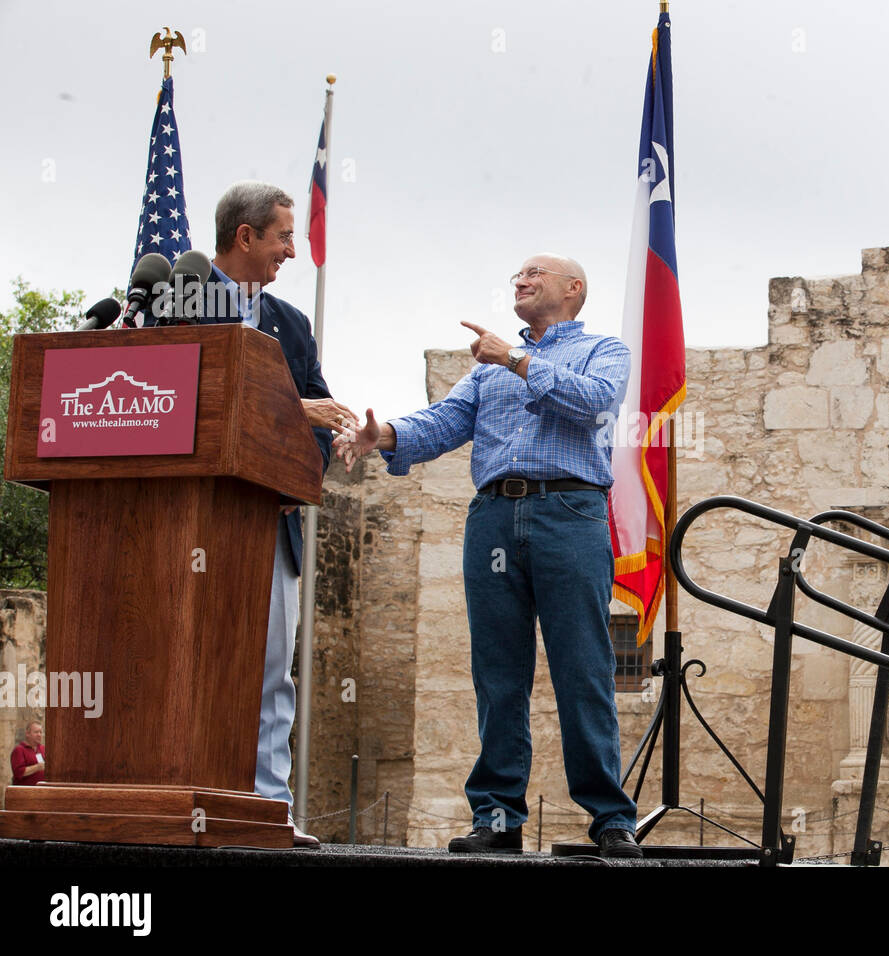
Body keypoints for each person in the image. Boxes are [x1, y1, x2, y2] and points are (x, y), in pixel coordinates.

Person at [334, 253, 643, 859]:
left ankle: (609, 817)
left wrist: (518, 361)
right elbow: (445, 422)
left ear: (572, 289)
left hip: (570, 514)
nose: (520, 281)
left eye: (535, 274)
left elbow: (597, 401)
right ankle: (497, 816)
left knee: (583, 667)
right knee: (497, 671)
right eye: (516, 276)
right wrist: (386, 436)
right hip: (495, 517)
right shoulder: (484, 370)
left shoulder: (603, 350)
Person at [150, 181, 358, 846]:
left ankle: (268, 808)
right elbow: (169, 389)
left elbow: (322, 423)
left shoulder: (292, 325)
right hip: (173, 517)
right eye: (282, 238)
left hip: (267, 522)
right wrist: (292, 410)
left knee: (271, 670)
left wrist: (304, 462)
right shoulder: (174, 298)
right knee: (169, 657)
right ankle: (163, 796)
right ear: (245, 237)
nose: (291, 252)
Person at [9, 721, 45, 786]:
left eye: (41, 732)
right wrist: (37, 767)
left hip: (42, 791)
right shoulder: (19, 750)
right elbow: (18, 772)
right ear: (27, 734)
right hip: (25, 792)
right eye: (36, 732)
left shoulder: (43, 749)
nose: (39, 735)